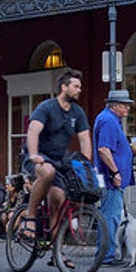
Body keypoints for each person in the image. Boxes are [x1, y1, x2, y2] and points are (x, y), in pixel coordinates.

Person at [21, 68, 92, 237]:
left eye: (80, 87)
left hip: (59, 160)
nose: (79, 90)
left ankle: (56, 252)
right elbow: (33, 131)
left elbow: (84, 139)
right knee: (47, 171)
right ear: (64, 87)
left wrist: (86, 164)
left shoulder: (77, 112)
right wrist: (33, 154)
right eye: (76, 86)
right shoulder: (46, 107)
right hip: (38, 157)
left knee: (58, 201)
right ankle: (30, 216)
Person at [94, 87, 135, 266]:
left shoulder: (110, 119)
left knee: (110, 215)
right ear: (115, 105)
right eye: (125, 105)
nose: (128, 109)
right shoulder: (108, 121)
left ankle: (106, 252)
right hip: (110, 178)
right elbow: (103, 149)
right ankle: (106, 255)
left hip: (109, 177)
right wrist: (115, 172)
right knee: (110, 216)